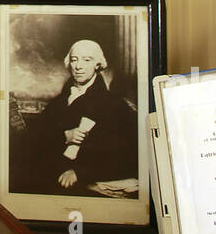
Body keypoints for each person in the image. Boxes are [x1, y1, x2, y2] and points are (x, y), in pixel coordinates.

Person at [10, 39, 138, 198]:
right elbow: (31, 142)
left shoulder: (114, 105)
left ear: (97, 65)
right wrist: (64, 136)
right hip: (51, 174)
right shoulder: (58, 102)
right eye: (74, 59)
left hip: (88, 179)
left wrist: (79, 172)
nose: (78, 66)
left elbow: (123, 154)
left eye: (87, 60)